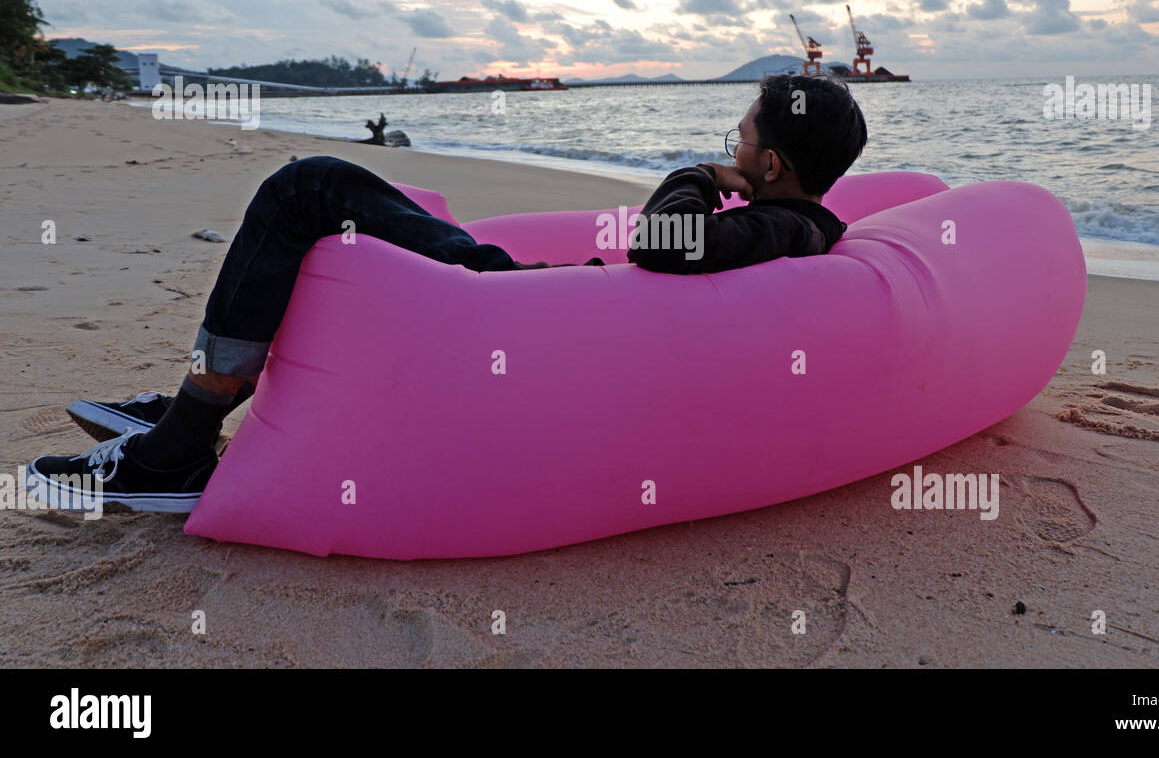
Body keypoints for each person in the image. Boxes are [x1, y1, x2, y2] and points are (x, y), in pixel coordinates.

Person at [26, 74, 868, 512]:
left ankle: (178, 442)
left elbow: (659, 245)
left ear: (770, 167)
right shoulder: (800, 225)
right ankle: (186, 415)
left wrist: (690, 174)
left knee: (306, 187)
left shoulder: (785, 226)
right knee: (328, 193)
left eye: (740, 140)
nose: (727, 150)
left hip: (520, 318)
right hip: (538, 302)